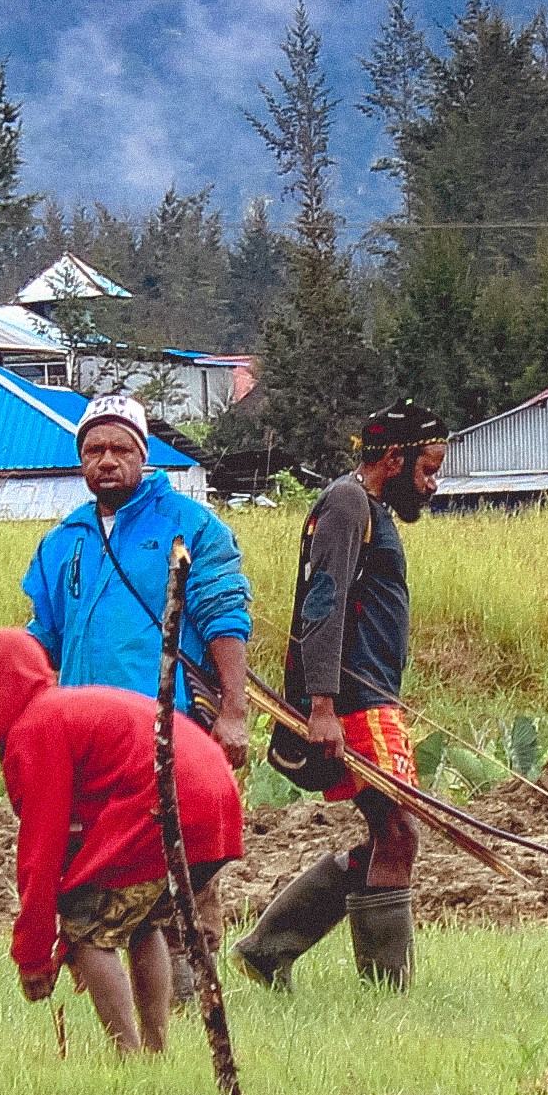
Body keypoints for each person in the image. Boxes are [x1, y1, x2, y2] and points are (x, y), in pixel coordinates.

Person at [0, 628, 244, 1055]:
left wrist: (35, 955)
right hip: (214, 801)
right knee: (141, 922)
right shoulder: (59, 711)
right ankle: (154, 1055)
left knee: (89, 930)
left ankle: (128, 1055)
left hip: (170, 799)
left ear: (4, 685)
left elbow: (41, 853)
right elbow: (71, 843)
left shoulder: (35, 730)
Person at [234, 404, 441, 990]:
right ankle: (384, 992)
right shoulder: (348, 505)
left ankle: (267, 949)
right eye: (427, 469)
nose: (432, 483)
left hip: (372, 696)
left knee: (391, 833)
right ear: (394, 461)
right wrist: (321, 707)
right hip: (352, 702)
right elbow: (321, 607)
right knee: (397, 833)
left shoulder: (369, 507)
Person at [17, 400, 251, 758]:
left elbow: (224, 620)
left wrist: (234, 712)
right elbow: (46, 639)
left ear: (142, 455)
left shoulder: (190, 526)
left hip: (167, 728)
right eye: (95, 450)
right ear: (81, 460)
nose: (107, 460)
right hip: (82, 729)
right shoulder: (62, 541)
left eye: (121, 449)